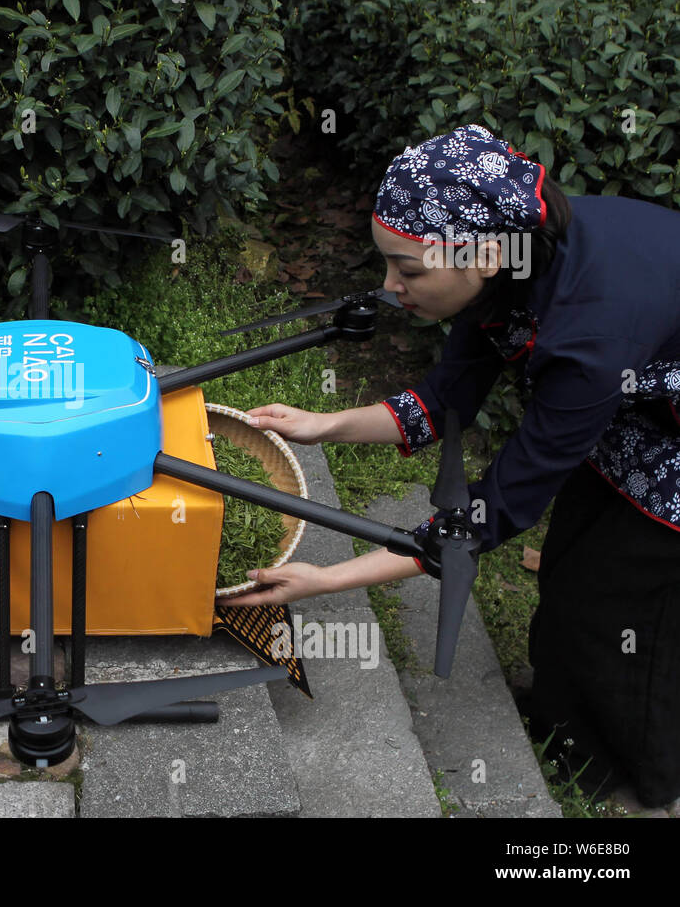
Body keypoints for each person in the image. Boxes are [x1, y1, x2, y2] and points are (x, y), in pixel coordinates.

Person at [228, 123, 680, 808]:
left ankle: (635, 777)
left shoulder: (585, 333)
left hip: (656, 413)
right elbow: (446, 397)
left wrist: (328, 578)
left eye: (408, 270)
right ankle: (569, 723)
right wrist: (326, 425)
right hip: (638, 392)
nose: (391, 286)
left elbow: (493, 511)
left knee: (625, 596)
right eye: (387, 264)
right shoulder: (511, 260)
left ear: (482, 255)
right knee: (572, 566)